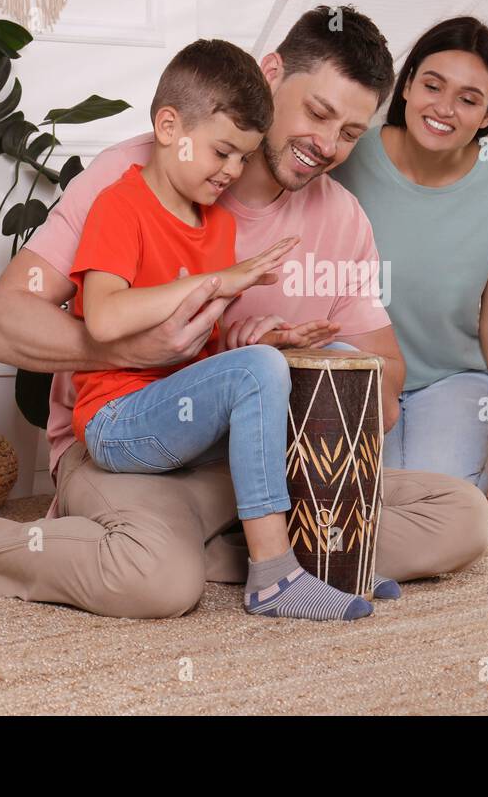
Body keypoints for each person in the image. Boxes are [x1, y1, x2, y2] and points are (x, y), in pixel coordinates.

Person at [0, 5, 488, 619]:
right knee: (158, 585)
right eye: (316, 113)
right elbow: (0, 324)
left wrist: (288, 365)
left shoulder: (340, 218)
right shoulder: (136, 175)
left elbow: (389, 385)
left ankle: (240, 550)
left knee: (462, 516)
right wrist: (138, 350)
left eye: (349, 132)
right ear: (270, 75)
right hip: (129, 457)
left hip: (257, 466)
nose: (327, 144)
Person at [68, 38, 371, 621]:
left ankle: (334, 558)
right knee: (259, 372)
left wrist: (257, 340)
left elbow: (200, 353)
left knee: (322, 361)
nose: (233, 172)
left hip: (173, 417)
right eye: (222, 153)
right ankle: (274, 576)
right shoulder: (120, 203)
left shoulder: (214, 225)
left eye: (243, 158)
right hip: (115, 422)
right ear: (167, 126)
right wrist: (219, 283)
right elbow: (103, 318)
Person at [331, 16, 488, 494]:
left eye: (469, 99)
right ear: (408, 84)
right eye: (432, 85)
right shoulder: (348, 154)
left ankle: (466, 468)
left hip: (452, 381)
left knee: (436, 499)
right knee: (369, 495)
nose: (444, 108)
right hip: (360, 369)